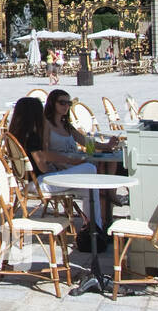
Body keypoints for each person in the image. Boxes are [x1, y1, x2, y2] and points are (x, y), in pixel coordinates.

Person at [9, 96, 100, 228]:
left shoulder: (16, 135)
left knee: (90, 189)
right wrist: (67, 163)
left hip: (27, 182)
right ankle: (96, 228)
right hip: (40, 183)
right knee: (90, 168)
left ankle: (94, 227)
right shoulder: (33, 136)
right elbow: (43, 167)